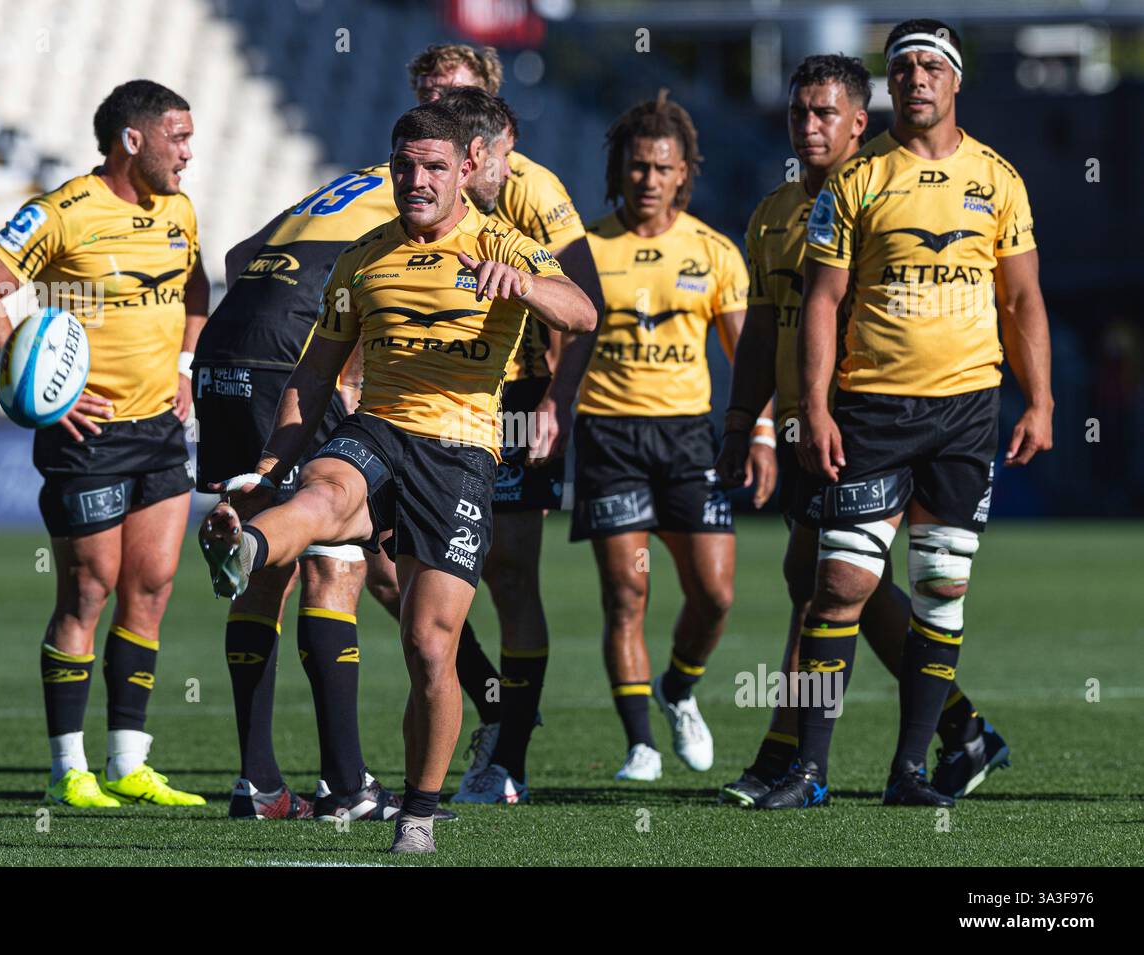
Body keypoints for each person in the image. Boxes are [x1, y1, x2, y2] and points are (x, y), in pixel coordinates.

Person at [198, 101, 595, 853]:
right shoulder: (364, 255)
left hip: (459, 455)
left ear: (466, 170)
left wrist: (524, 286)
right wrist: (264, 469)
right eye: (405, 166)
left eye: (434, 167)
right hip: (377, 425)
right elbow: (314, 375)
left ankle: (417, 808)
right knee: (322, 494)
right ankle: (246, 541)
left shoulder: (502, 239)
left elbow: (581, 312)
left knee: (428, 645)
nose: (417, 180)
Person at [760, 19, 1053, 809]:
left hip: (965, 414)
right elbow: (822, 302)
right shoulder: (858, 180)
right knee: (840, 584)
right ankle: (807, 771)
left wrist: (1043, 400)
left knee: (939, 590)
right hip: (872, 412)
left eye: (932, 66)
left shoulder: (1000, 179)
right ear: (888, 84)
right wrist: (816, 406)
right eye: (903, 68)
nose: (917, 78)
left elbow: (1022, 298)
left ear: (956, 80)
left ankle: (910, 772)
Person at [0, 80, 208, 807]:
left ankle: (130, 761)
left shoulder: (179, 210)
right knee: (88, 589)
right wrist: (36, 395)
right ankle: (70, 769)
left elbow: (196, 289)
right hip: (86, 437)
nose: (188, 153)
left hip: (160, 429)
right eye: (177, 138)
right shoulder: (63, 212)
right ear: (134, 139)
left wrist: (187, 366)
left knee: (151, 588)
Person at [410, 44, 605, 802]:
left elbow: (587, 304)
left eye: (452, 95)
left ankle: (508, 753)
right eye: (427, 92)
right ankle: (490, 700)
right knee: (395, 566)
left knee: (509, 571)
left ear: (492, 125)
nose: (438, 105)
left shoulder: (534, 190)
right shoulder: (406, 179)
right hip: (423, 397)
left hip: (516, 399)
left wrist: (556, 400)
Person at [563, 92, 769, 781]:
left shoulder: (714, 252)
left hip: (687, 441)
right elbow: (558, 348)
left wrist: (762, 432)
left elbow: (748, 357)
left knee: (714, 595)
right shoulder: (585, 250)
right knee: (626, 593)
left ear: (685, 173)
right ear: (620, 169)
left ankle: (679, 687)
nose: (649, 178)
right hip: (610, 438)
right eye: (637, 166)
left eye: (662, 167)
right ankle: (641, 744)